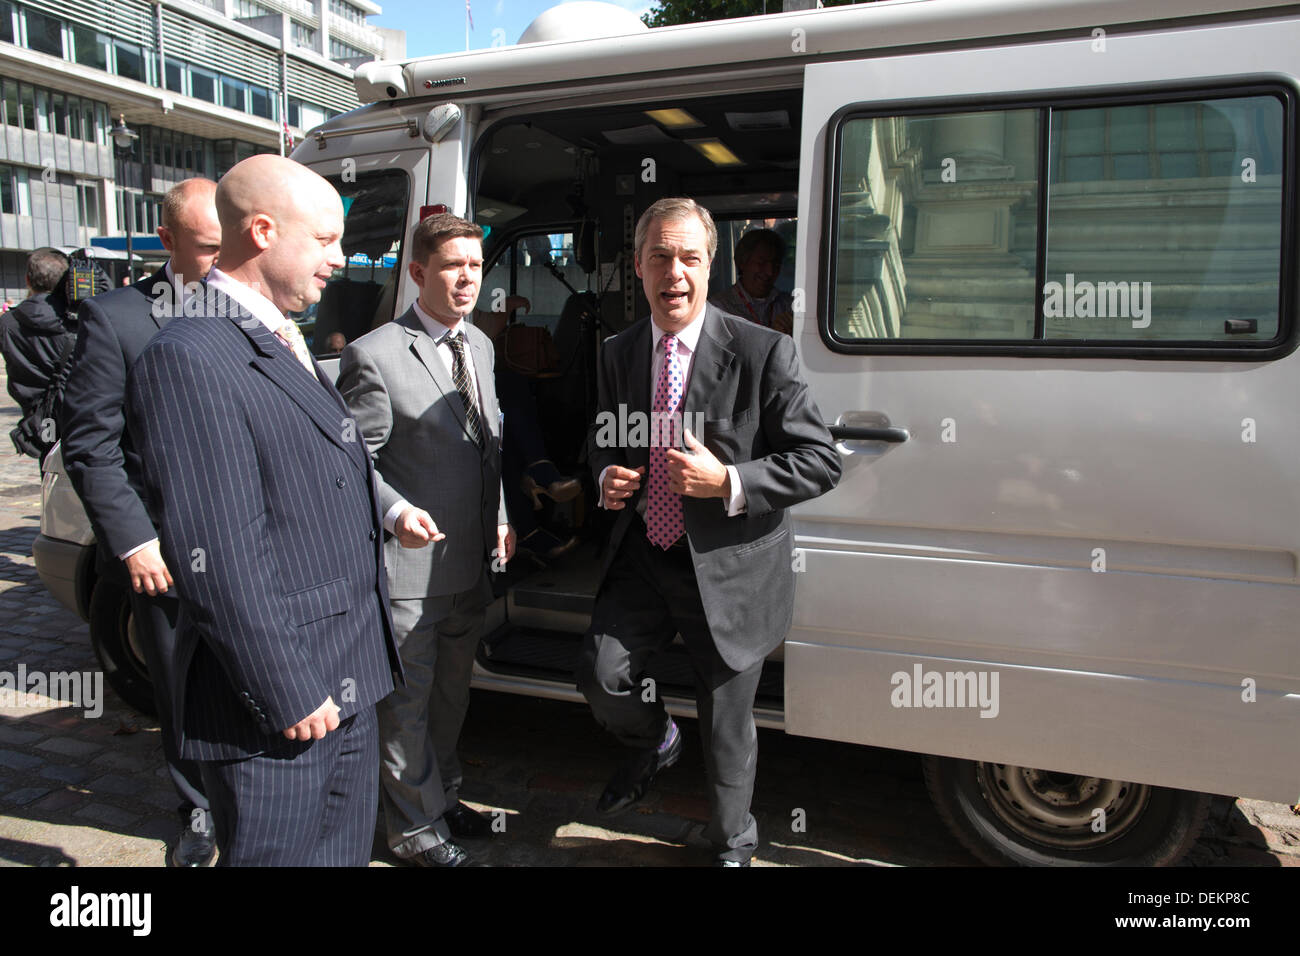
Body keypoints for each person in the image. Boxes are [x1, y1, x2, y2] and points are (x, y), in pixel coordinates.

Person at [125, 155, 401, 867]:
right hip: (280, 704)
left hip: (346, 679)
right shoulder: (190, 354)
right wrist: (287, 689)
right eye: (325, 240)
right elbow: (218, 551)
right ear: (262, 230)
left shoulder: (281, 332)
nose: (341, 260)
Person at [579, 197, 841, 866]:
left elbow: (820, 462)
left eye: (689, 257)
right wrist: (607, 470)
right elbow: (603, 434)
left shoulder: (764, 351)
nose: (675, 272)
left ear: (708, 264)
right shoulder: (617, 351)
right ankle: (655, 740)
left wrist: (729, 482)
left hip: (729, 569)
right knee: (604, 677)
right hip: (645, 554)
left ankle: (733, 845)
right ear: (637, 266)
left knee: (728, 727)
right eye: (660, 257)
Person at [337, 213, 514, 868]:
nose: (467, 277)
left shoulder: (484, 348)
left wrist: (500, 516)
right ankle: (412, 832)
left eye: (474, 264)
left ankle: (443, 799)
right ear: (417, 273)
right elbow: (353, 465)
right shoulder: (375, 354)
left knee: (451, 696)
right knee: (406, 710)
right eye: (451, 266)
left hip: (470, 566)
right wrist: (394, 512)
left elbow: (489, 450)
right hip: (409, 571)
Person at [61, 178, 222, 867]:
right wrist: (133, 541)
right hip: (166, 547)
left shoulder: (255, 309)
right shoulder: (117, 318)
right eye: (210, 246)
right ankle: (199, 806)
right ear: (167, 241)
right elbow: (91, 445)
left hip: (254, 540)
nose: (224, 259)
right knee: (179, 683)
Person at [1, 247, 72, 421]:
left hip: (33, 416)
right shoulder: (78, 319)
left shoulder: (7, 322)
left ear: (27, 280)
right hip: (75, 414)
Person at [708, 228, 795, 335]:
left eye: (775, 265)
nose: (770, 272)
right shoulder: (718, 308)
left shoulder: (788, 305)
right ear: (742, 262)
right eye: (762, 263)